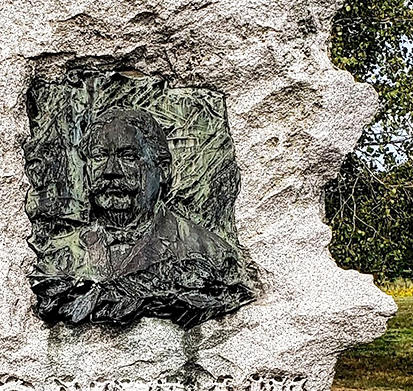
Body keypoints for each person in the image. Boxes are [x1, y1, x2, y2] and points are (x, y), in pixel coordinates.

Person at [30, 107, 254, 327]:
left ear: (163, 169)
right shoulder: (58, 256)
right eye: (99, 156)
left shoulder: (209, 251)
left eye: (128, 157)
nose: (111, 170)